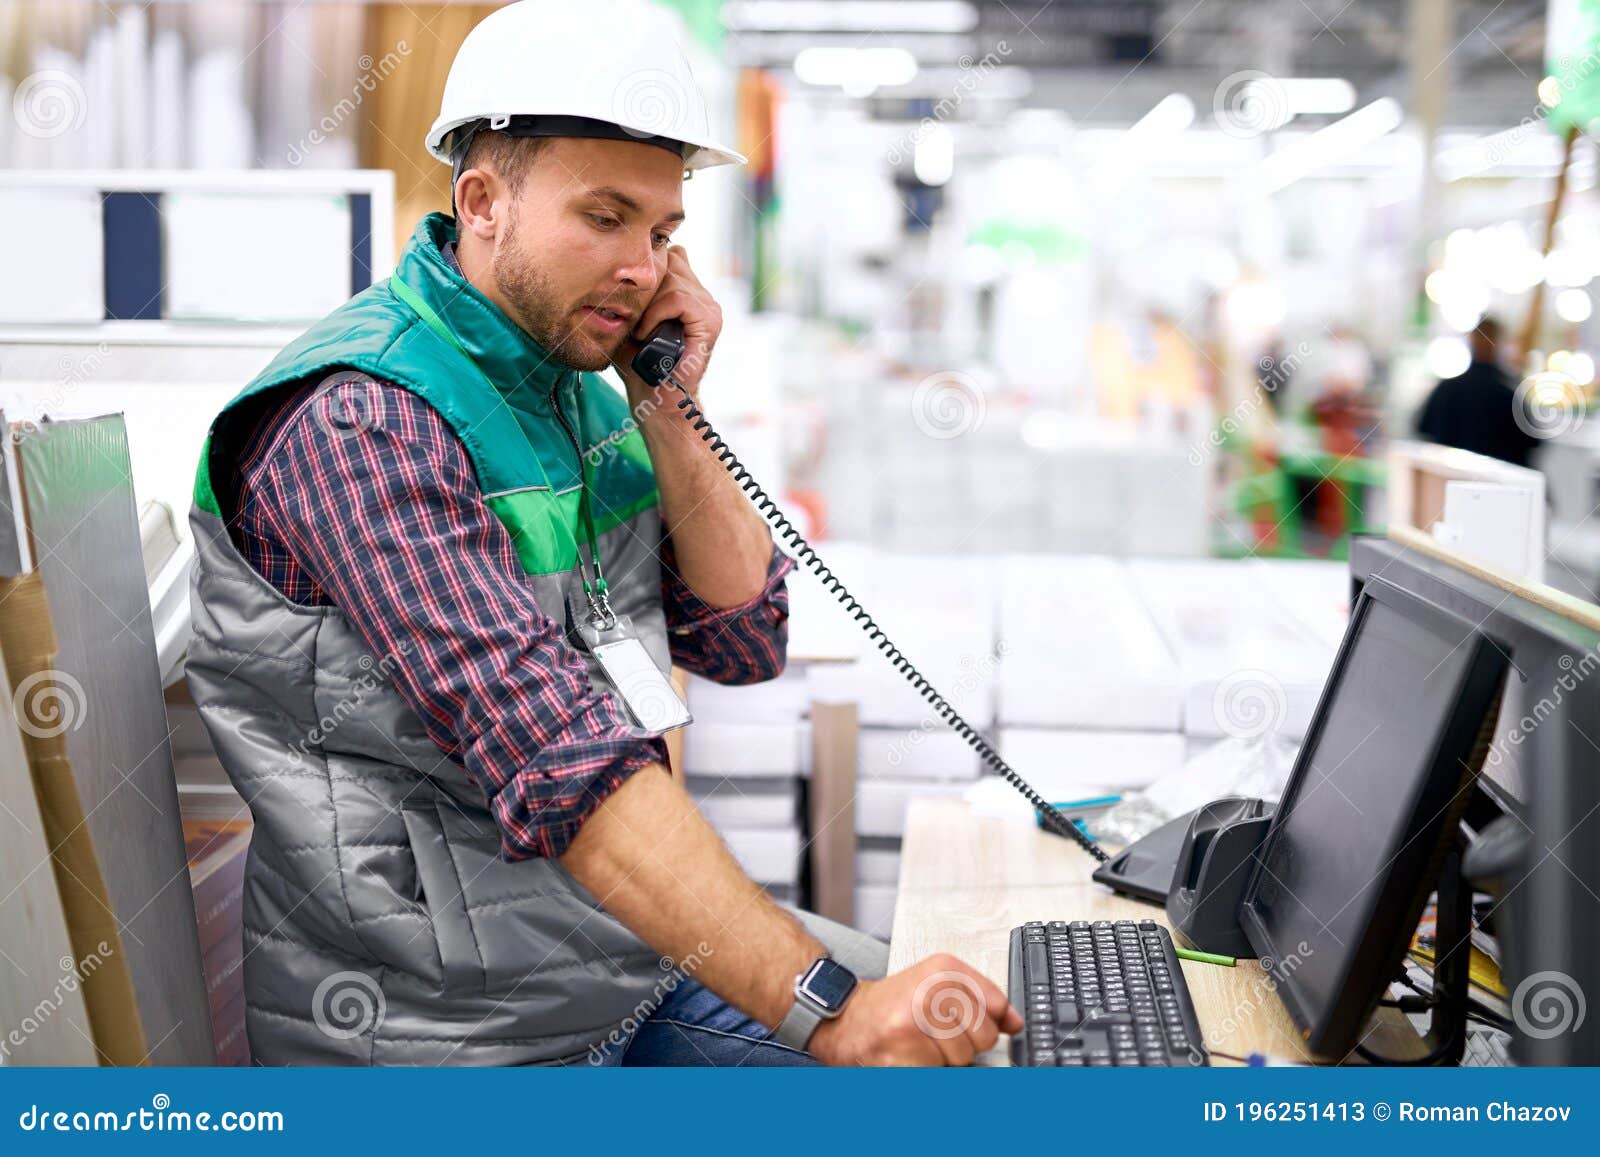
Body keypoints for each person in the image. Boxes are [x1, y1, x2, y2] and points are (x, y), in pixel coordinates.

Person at [182, 0, 1018, 1067]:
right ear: (482, 201)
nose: (641, 268)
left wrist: (671, 408)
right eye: (605, 216)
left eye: (662, 232)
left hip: (613, 966)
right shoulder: (364, 417)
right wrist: (835, 1011)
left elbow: (739, 635)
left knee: (981, 1048)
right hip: (447, 1035)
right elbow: (560, 758)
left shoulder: (580, 389)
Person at [1416, 316, 1542, 467]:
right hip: (1500, 486)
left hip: (1450, 482)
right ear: (1499, 344)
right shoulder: (1508, 392)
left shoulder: (1446, 389)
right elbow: (1532, 443)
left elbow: (1423, 429)